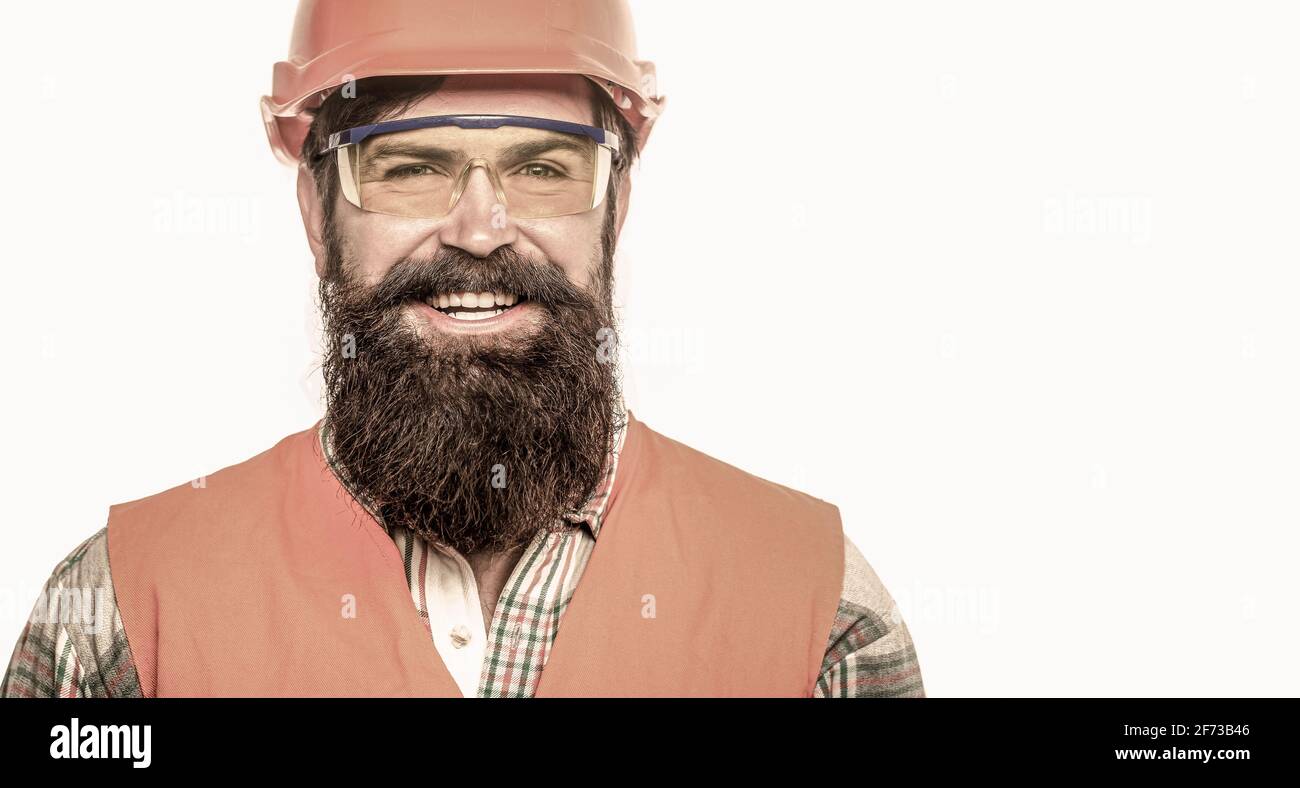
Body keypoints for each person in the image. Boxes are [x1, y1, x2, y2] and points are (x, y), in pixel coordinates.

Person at [2, 0, 923, 698]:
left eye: (544, 168)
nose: (481, 230)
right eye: (409, 167)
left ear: (615, 212)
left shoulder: (821, 617)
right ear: (317, 216)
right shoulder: (122, 617)